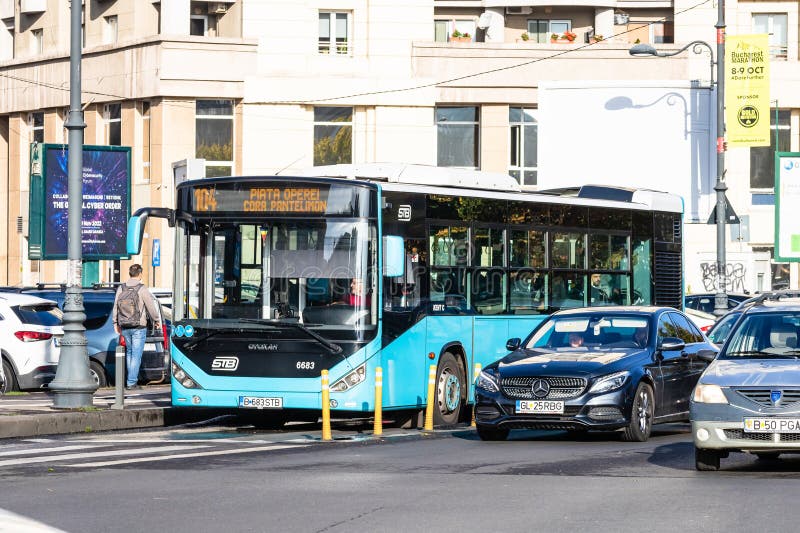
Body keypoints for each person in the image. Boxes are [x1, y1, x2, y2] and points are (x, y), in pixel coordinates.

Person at [113, 264, 161, 390]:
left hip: (124, 325)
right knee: (136, 354)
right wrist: (156, 320)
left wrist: (115, 323)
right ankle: (131, 382)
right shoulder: (142, 288)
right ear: (140, 274)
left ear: (129, 273)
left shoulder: (121, 288)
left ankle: (130, 380)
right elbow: (151, 306)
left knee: (129, 352)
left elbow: (115, 307)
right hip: (139, 326)